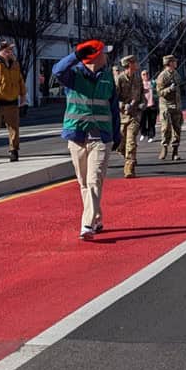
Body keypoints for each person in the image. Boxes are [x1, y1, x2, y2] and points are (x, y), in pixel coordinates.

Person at [54, 40, 121, 240]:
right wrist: (76, 55)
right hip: (77, 137)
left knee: (94, 180)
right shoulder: (73, 75)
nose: (107, 57)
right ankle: (97, 217)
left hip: (101, 137)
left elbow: (114, 110)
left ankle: (87, 224)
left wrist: (117, 136)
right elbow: (57, 71)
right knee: (83, 182)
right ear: (95, 57)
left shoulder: (109, 78)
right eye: (104, 53)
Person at [113, 55, 146, 178]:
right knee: (121, 144)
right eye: (135, 62)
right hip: (122, 117)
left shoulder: (137, 79)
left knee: (131, 141)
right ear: (129, 64)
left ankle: (129, 167)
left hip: (135, 115)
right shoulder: (119, 79)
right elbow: (114, 98)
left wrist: (143, 103)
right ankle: (126, 153)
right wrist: (123, 105)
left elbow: (142, 95)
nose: (137, 64)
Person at [156, 54, 184, 160]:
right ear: (170, 63)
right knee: (166, 128)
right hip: (166, 106)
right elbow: (159, 92)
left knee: (177, 128)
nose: (176, 63)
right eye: (174, 61)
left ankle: (175, 151)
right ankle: (164, 147)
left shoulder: (176, 74)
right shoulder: (162, 76)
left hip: (176, 105)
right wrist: (169, 89)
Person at [140, 68, 158, 142]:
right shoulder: (140, 84)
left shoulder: (153, 82)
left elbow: (157, 92)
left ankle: (151, 136)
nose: (146, 75)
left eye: (147, 74)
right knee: (142, 121)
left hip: (152, 105)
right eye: (144, 74)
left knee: (152, 121)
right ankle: (143, 133)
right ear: (141, 76)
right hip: (143, 105)